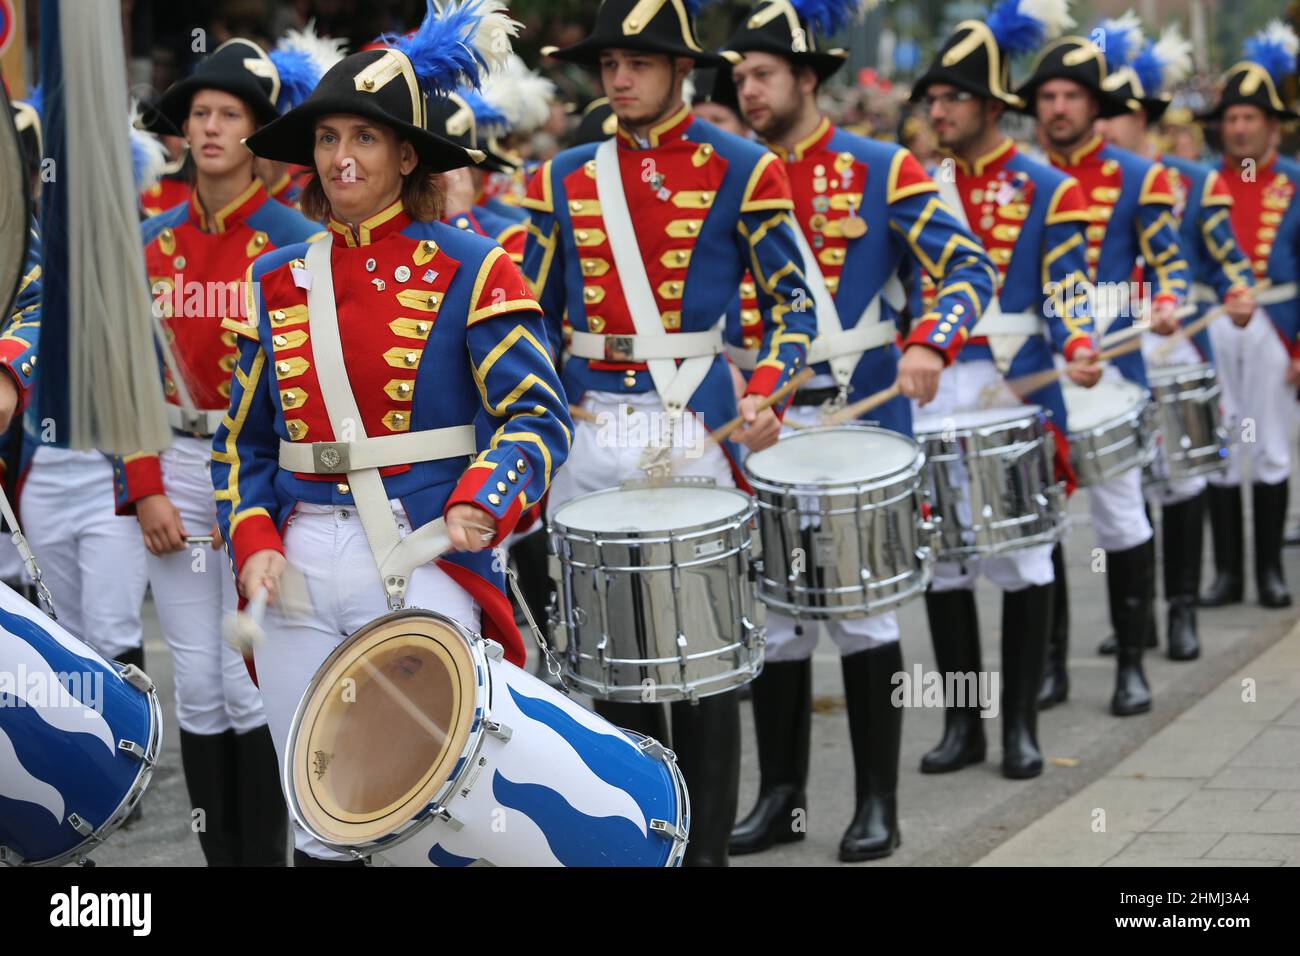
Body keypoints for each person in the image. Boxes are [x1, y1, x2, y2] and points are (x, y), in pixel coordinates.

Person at [217, 1, 572, 867]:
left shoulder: (472, 266)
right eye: (329, 138)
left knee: (432, 808)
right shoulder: (274, 278)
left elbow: (536, 416)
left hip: (422, 552)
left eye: (366, 139)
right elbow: (243, 444)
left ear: (407, 156)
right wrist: (253, 537)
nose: (341, 156)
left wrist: (481, 503)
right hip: (298, 562)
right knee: (317, 805)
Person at [527, 0, 818, 866]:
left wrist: (767, 389)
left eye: (639, 63)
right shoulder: (564, 175)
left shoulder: (745, 167)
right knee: (602, 657)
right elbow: (535, 317)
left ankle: (707, 856)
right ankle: (629, 841)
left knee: (698, 662)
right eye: (609, 63)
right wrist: (538, 404)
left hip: (691, 421)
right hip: (588, 423)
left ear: (681, 70)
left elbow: (793, 305)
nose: (618, 78)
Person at [722, 0, 998, 857]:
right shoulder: (728, 173)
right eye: (738, 78)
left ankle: (877, 804)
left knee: (865, 617)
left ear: (809, 79)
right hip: (767, 426)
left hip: (860, 421)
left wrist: (930, 341)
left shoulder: (884, 166)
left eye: (763, 74)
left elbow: (966, 266)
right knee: (774, 621)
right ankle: (780, 799)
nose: (748, 90)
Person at [118, 34, 338, 866]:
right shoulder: (151, 241)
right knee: (201, 685)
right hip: (173, 463)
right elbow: (126, 374)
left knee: (258, 681)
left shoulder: (293, 240)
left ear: (258, 133)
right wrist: (143, 485)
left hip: (259, 474)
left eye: (229, 115)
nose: (209, 129)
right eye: (198, 114)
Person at [906, 0, 1100, 780]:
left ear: (991, 106)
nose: (939, 111)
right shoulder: (915, 183)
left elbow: (1069, 288)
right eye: (932, 99)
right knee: (943, 558)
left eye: (952, 97)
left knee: (1024, 558)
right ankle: (964, 724)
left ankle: (1020, 723)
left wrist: (1080, 347)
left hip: (1013, 386)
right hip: (929, 383)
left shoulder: (1047, 186)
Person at [1018, 23, 1190, 716]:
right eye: (1048, 97)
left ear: (1095, 106)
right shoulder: (1020, 177)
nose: (1058, 108)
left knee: (1121, 518)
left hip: (1111, 371)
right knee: (1043, 522)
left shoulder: (1139, 176)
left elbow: (1169, 260)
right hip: (1036, 374)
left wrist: (1171, 301)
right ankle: (1053, 663)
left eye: (1071, 96)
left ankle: (1130, 660)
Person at [1090, 18, 1256, 664]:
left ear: (1145, 118)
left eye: (1118, 113)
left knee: (1181, 482)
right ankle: (1136, 622)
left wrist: (1239, 291)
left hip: (1173, 345)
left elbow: (1227, 257)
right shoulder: (1080, 183)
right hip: (1108, 349)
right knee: (1122, 485)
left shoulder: (1191, 181)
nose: (1104, 124)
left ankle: (1181, 609)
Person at [1194, 20, 1300, 611]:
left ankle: (1268, 573)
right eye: (1230, 118)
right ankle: (1228, 574)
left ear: (1272, 125)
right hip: (1213, 327)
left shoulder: (1297, 184)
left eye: (1249, 118)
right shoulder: (1203, 185)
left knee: (1270, 447)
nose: (1238, 128)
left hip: (1275, 327)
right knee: (1220, 446)